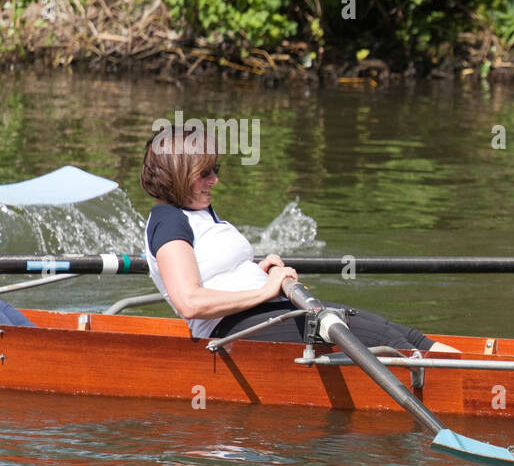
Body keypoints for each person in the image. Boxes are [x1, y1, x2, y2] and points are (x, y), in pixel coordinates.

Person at [141, 127, 434, 351]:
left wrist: (255, 273)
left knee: (408, 337)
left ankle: (473, 379)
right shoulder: (168, 221)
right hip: (232, 330)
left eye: (215, 170)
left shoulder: (199, 212)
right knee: (387, 342)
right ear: (177, 175)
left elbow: (212, 275)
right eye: (205, 173)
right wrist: (265, 290)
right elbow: (190, 302)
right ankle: (458, 397)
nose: (215, 180)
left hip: (266, 312)